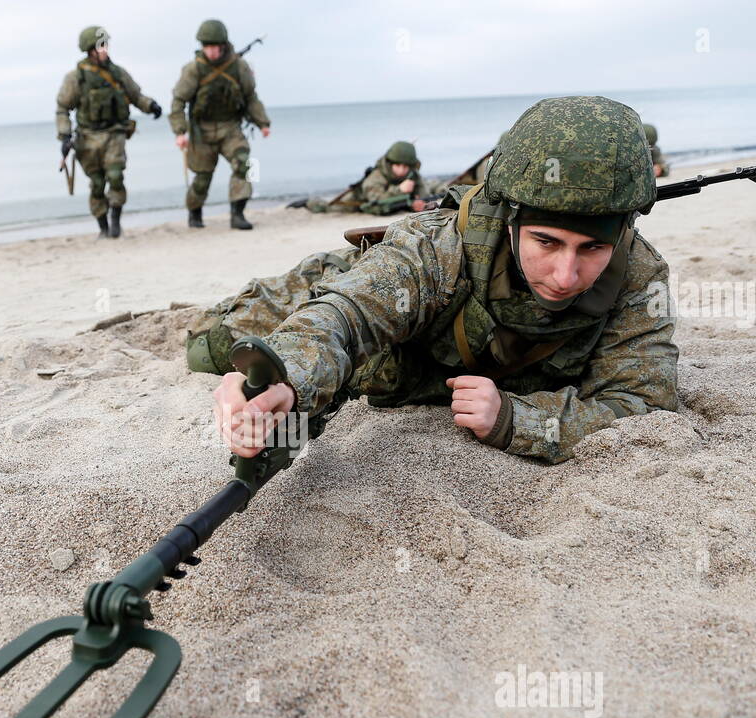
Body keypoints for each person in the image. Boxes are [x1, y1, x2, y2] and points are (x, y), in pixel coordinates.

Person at [188, 96, 679, 465]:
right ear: (510, 222)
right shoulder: (438, 247)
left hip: (419, 371)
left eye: (592, 248)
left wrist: (515, 419)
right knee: (206, 348)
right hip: (351, 288)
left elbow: (640, 403)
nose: (567, 275)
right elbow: (348, 316)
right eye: (546, 242)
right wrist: (286, 379)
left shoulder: (639, 275)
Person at [55, 26, 163, 238]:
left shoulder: (118, 73)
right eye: (100, 45)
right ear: (90, 50)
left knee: (115, 176)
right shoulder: (76, 78)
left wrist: (151, 106)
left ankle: (115, 222)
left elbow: (136, 95)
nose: (105, 49)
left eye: (105, 44)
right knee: (97, 184)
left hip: (114, 134)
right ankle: (102, 226)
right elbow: (62, 109)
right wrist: (65, 136)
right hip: (88, 137)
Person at [169, 19, 271, 230]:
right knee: (203, 176)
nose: (212, 51)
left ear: (223, 45)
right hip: (201, 130)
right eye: (207, 46)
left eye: (215, 46)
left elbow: (251, 97)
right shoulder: (193, 69)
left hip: (230, 127)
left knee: (245, 163)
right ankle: (194, 213)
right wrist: (180, 131)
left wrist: (262, 122)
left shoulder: (239, 67)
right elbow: (178, 100)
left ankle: (238, 213)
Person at [305, 141, 449, 214]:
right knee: (328, 208)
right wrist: (400, 190)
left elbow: (424, 193)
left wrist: (419, 203)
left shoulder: (412, 174)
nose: (402, 170)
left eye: (406, 166)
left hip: (392, 200)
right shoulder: (376, 176)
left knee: (434, 185)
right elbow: (377, 201)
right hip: (357, 201)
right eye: (398, 165)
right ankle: (307, 202)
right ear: (390, 163)